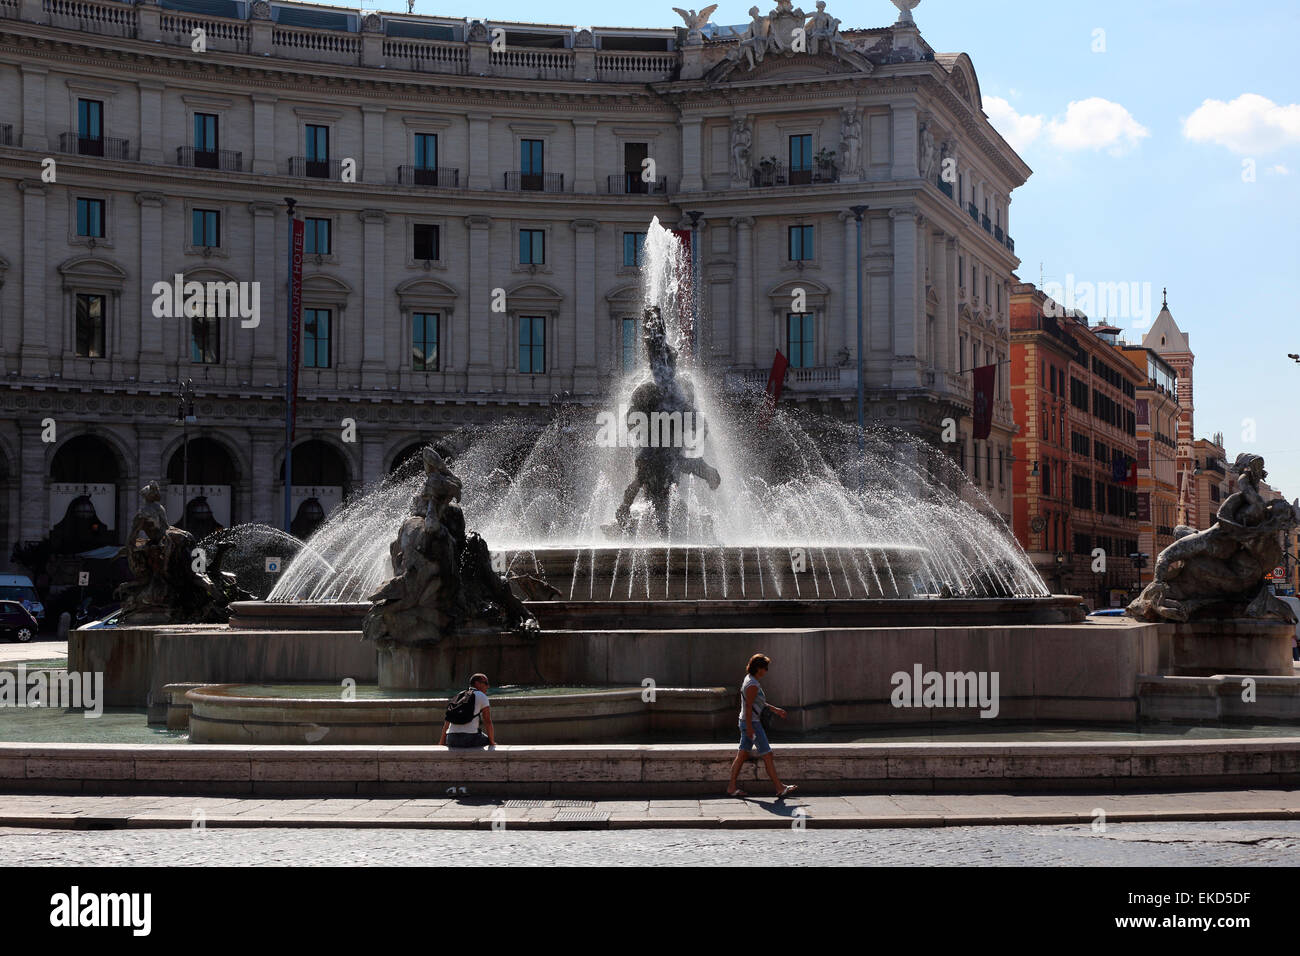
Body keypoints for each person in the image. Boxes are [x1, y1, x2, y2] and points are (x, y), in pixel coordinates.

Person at [727, 653, 796, 798]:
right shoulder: (752, 684)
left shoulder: (750, 680)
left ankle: (731, 787)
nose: (766, 671)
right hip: (752, 723)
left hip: (746, 722)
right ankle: (779, 787)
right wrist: (751, 728)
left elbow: (757, 702)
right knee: (767, 754)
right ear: (758, 668)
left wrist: (774, 709)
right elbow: (749, 706)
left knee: (742, 754)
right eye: (765, 668)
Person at [438, 673, 497, 749]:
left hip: (451, 738)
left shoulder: (459, 695)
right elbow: (487, 721)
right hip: (470, 738)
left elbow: (447, 720)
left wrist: (442, 742)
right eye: (486, 683)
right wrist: (492, 742)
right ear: (477, 683)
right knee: (488, 741)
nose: (488, 686)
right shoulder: (482, 696)